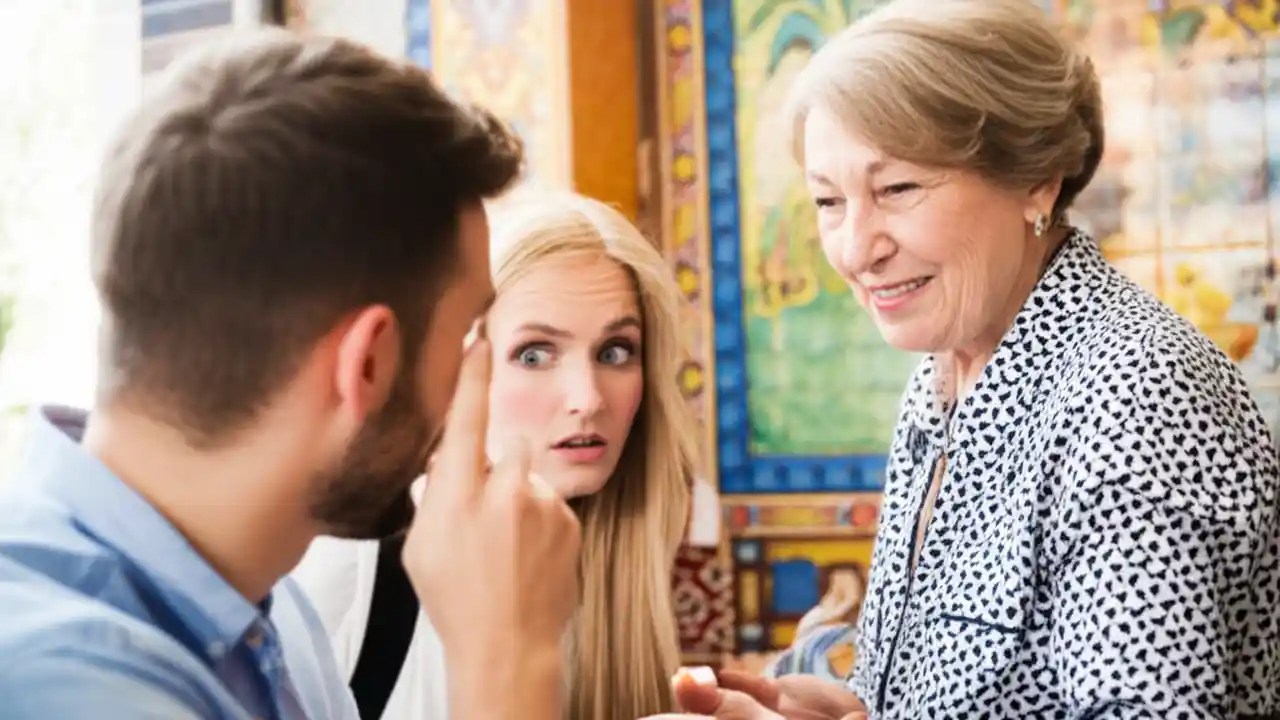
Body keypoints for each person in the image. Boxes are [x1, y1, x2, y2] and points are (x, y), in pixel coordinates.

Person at [650, 0, 1280, 718]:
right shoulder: (944, 376)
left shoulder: (1136, 397)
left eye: (898, 189)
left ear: (1036, 179)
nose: (856, 250)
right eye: (829, 201)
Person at [0, 29, 582, 720]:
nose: (472, 385)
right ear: (367, 364)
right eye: (468, 339)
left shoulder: (267, 607)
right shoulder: (56, 680)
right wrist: (510, 655)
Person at [293, 191, 695, 720]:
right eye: (534, 355)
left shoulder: (628, 552)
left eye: (615, 352)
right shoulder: (356, 564)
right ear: (460, 368)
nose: (589, 398)